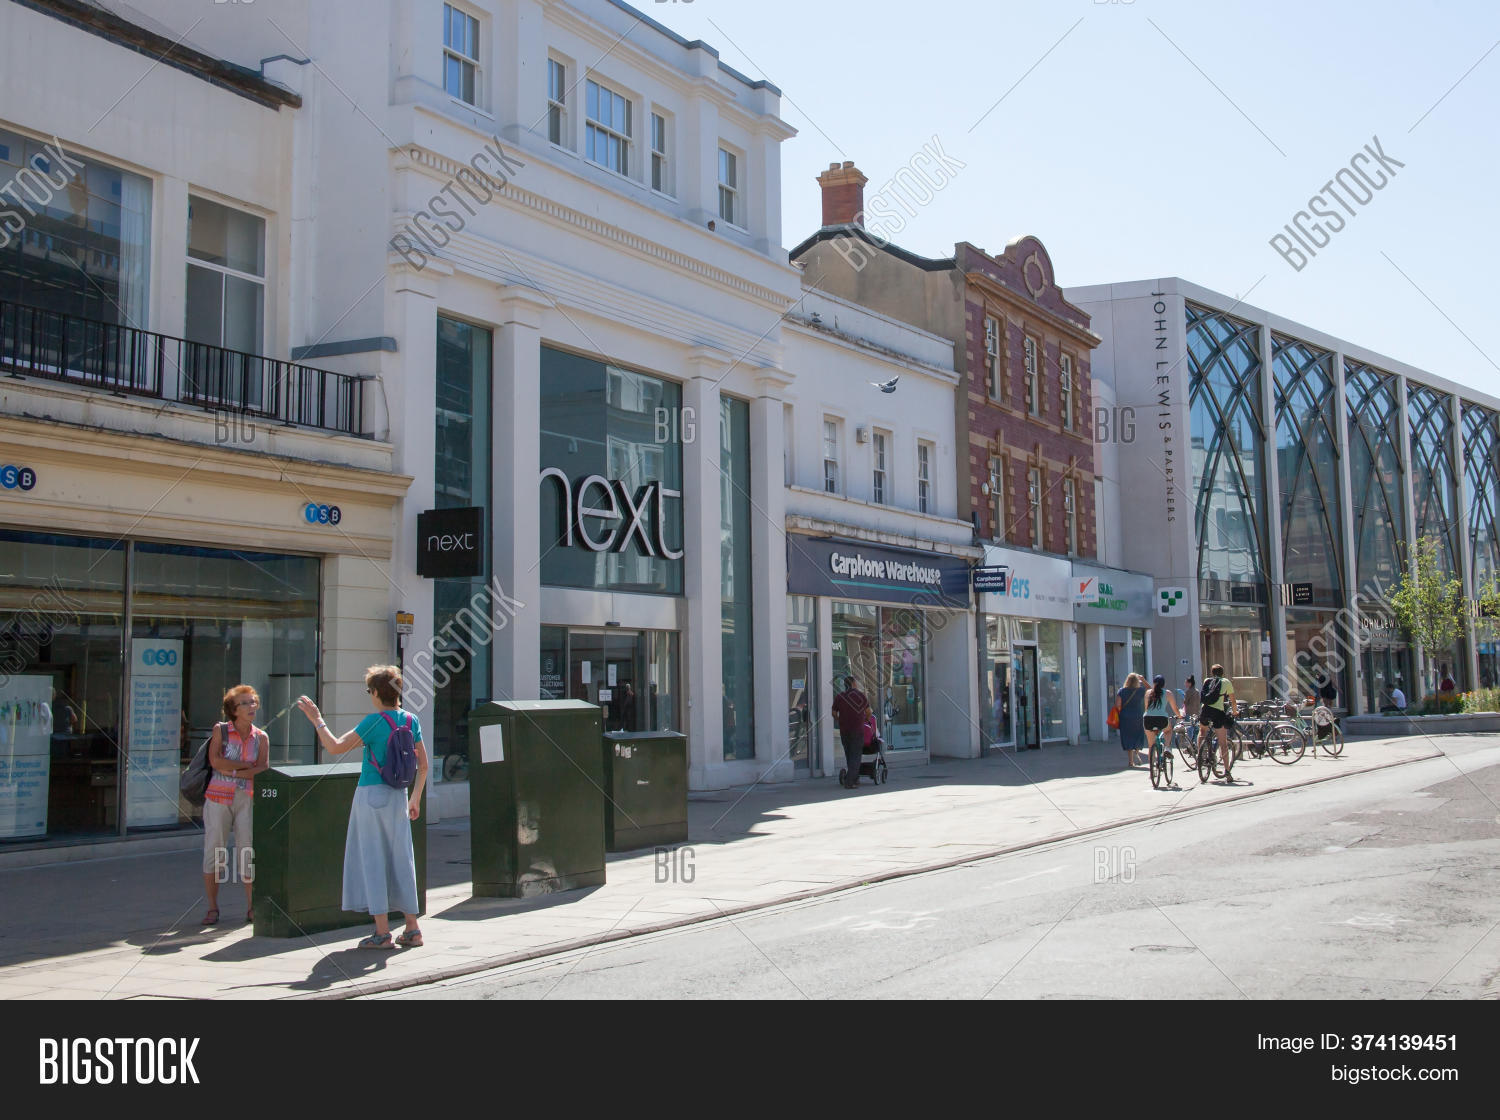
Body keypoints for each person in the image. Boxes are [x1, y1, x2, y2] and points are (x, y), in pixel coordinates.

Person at [296, 666, 428, 949]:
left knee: (373, 859)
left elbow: (334, 747)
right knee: (402, 859)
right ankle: (412, 928)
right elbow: (424, 764)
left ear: (377, 692)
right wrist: (415, 797)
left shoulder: (373, 722)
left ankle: (382, 932)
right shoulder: (410, 719)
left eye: (370, 691)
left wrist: (317, 719)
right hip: (399, 797)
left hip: (371, 796)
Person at [201, 685, 269, 926]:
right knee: (215, 850)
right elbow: (215, 761)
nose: (251, 707)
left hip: (246, 797)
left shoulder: (261, 737)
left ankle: (252, 907)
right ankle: (212, 907)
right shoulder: (221, 730)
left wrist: (234, 770)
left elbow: (261, 769)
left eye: (253, 702)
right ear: (233, 709)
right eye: (245, 703)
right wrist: (244, 766)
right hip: (218, 796)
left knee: (247, 850)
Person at [1197, 664, 1236, 780]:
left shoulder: (1207, 680)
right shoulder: (1226, 682)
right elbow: (1233, 700)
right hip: (1218, 712)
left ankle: (1201, 755)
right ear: (1222, 673)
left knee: (1202, 731)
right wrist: (1235, 712)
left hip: (1205, 711)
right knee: (1223, 743)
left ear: (1212, 672)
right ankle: (1227, 772)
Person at [832, 675, 871, 788]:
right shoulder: (860, 696)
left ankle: (855, 778)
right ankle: (849, 782)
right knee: (856, 756)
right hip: (857, 730)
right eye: (856, 682)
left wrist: (839, 720)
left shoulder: (840, 697)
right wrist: (865, 720)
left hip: (844, 731)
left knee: (849, 755)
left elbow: (833, 713)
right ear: (854, 684)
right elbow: (868, 712)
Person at [1142, 674, 1181, 772]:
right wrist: (1179, 716)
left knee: (1151, 745)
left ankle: (1152, 769)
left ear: (1154, 683)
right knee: (1168, 731)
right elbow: (1175, 708)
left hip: (1148, 719)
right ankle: (1167, 747)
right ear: (1164, 684)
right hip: (1161, 719)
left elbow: (1146, 708)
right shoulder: (1167, 693)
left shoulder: (1148, 693)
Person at [1116, 672, 1147, 767]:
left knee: (1128, 737)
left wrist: (1120, 712)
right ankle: (1136, 750)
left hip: (1125, 717)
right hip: (1137, 716)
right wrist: (1143, 680)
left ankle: (1130, 761)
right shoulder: (1140, 690)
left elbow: (1118, 705)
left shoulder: (1121, 691)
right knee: (1138, 735)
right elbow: (1151, 690)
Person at [1182, 675, 1201, 746]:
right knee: (1196, 729)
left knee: (1189, 729)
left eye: (1186, 682)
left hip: (1189, 713)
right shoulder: (1197, 691)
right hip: (1197, 712)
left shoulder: (1188, 692)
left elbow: (1186, 702)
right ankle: (1195, 743)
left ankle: (1189, 745)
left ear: (1190, 683)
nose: (1185, 684)